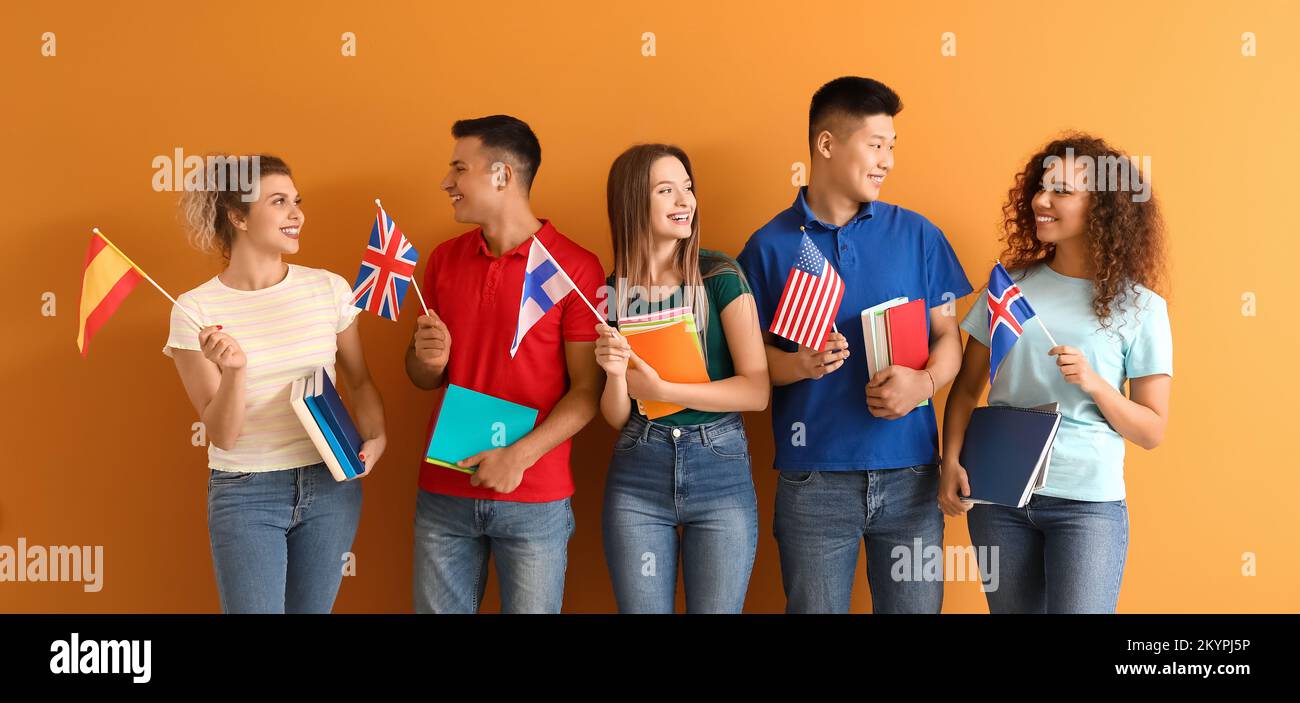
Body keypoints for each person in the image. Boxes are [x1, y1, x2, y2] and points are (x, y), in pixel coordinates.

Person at [737, 76, 972, 613]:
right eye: (875, 144)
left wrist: (924, 382)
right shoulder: (768, 247)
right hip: (812, 480)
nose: (887, 160)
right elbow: (751, 369)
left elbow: (948, 339)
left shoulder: (919, 235)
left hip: (913, 476)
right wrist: (800, 364)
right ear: (826, 144)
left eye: (892, 147)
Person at [940, 133, 1172, 613]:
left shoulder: (1142, 309)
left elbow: (1151, 430)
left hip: (1086, 506)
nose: (1041, 201)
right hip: (998, 498)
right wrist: (950, 465)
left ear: (1103, 207)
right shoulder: (1008, 289)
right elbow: (964, 392)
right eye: (1041, 188)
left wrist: (1093, 384)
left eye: (1062, 192)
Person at [165, 154, 387, 613]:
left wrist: (376, 436)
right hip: (246, 491)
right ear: (238, 216)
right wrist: (235, 372)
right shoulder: (194, 310)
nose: (297, 213)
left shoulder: (329, 289)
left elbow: (360, 382)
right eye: (279, 201)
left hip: (331, 485)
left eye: (297, 201)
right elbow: (223, 434)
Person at [407, 115, 604, 614]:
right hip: (444, 490)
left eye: (459, 168)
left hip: (535, 496)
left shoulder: (575, 268)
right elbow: (423, 376)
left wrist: (519, 456)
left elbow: (586, 392)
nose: (446, 183)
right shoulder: (443, 260)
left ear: (502, 176)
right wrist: (427, 360)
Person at [594, 143, 769, 613]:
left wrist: (664, 391)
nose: (684, 201)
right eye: (666, 190)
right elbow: (614, 417)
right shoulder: (611, 291)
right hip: (638, 467)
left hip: (720, 466)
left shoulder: (721, 276)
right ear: (633, 202)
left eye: (687, 189)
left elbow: (756, 390)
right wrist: (614, 375)